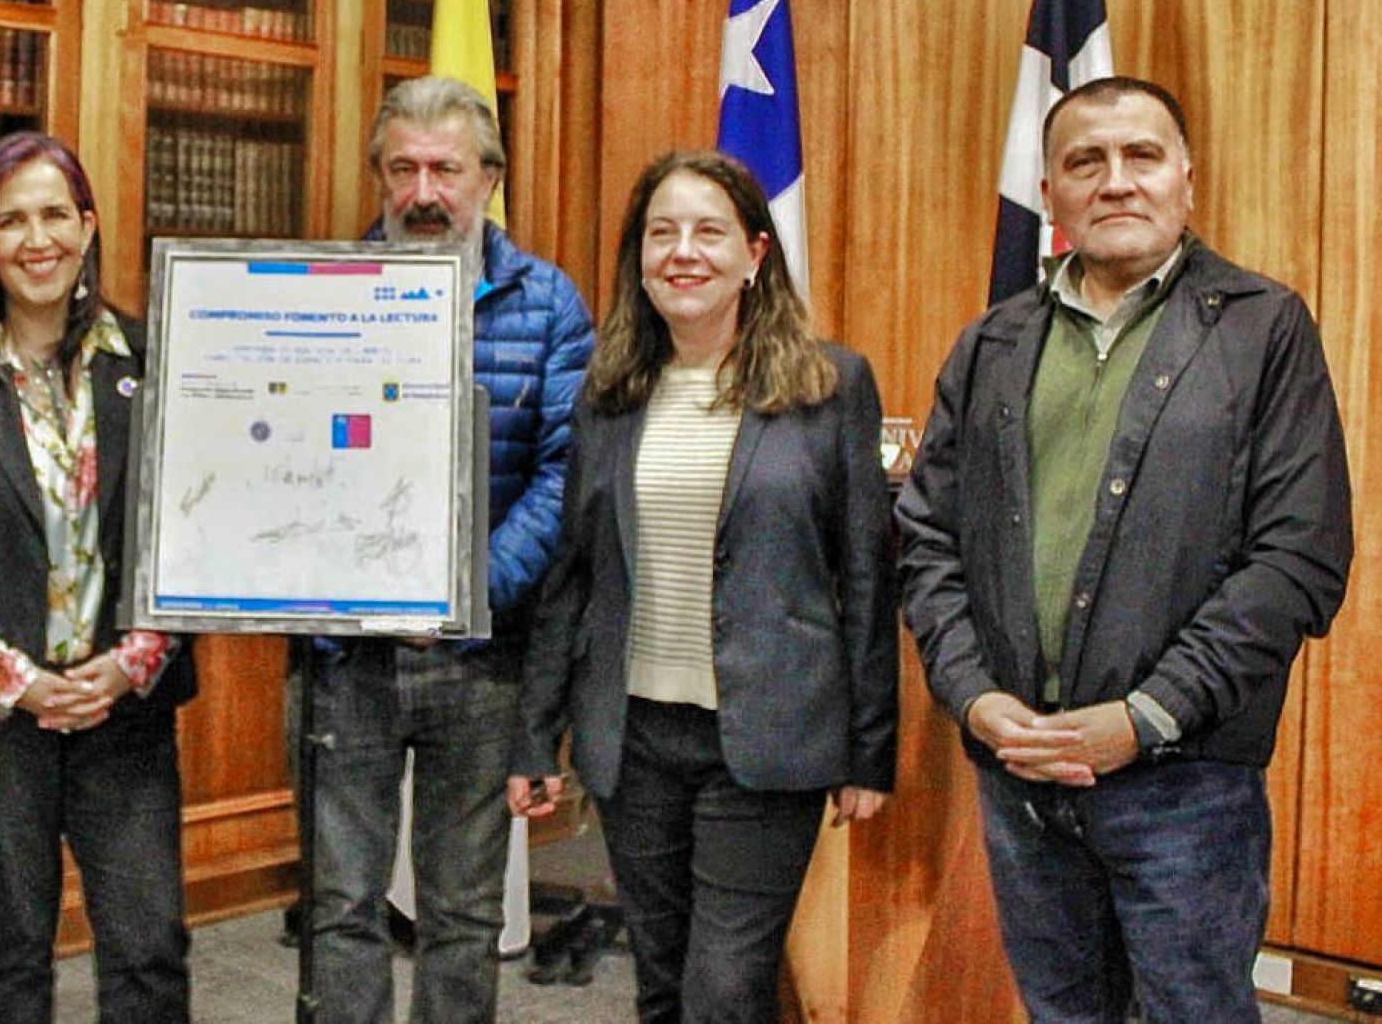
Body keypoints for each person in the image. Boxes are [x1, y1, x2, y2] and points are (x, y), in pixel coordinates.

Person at [896, 76, 1353, 1024]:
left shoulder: (1265, 329)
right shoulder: (992, 344)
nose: (1115, 181)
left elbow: (1298, 560)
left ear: (1187, 178)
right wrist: (976, 700)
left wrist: (1146, 715)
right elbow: (929, 539)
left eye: (1141, 156)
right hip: (1020, 779)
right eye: (1084, 162)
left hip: (1184, 786)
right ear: (1051, 194)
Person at [509, 149, 897, 1024]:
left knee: (723, 991)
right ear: (639, 260)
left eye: (709, 232)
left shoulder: (831, 388)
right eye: (661, 233)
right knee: (661, 983)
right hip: (634, 740)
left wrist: (870, 751)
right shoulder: (607, 395)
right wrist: (535, 735)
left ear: (756, 253)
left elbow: (869, 577)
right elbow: (572, 576)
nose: (684, 251)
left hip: (764, 741)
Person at [0, 131, 194, 1023]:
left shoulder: (151, 358)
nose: (36, 238)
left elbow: (197, 523)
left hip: (122, 705)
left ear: (88, 227)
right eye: (11, 219)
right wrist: (18, 684)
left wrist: (135, 659)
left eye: (55, 213)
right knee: (14, 952)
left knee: (148, 948)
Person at [299, 75, 595, 1024]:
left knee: (463, 912)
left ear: (489, 179)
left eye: (446, 170)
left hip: (481, 653)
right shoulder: (313, 296)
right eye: (404, 169)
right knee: (340, 908)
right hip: (344, 656)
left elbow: (564, 476)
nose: (424, 193)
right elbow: (282, 460)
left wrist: (459, 589)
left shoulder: (549, 305)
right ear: (379, 177)